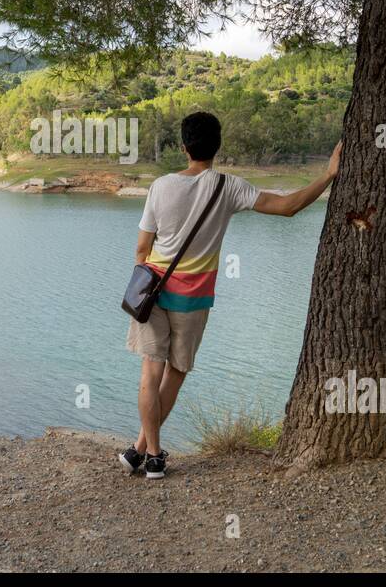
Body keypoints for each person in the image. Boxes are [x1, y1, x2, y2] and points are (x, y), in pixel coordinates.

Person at [119, 111, 342, 478]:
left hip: (153, 290)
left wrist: (151, 276)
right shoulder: (229, 188)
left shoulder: (160, 187)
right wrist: (330, 175)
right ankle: (150, 455)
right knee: (174, 374)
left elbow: (142, 249)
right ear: (217, 148)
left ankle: (144, 452)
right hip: (194, 297)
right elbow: (288, 207)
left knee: (149, 373)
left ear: (183, 147)